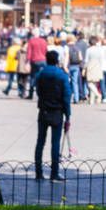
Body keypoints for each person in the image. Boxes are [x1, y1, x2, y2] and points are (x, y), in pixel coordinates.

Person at [34, 51, 71, 181]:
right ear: (57, 60)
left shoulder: (40, 74)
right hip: (57, 112)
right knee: (55, 143)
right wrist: (68, 115)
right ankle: (54, 172)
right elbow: (66, 97)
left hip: (43, 111)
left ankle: (38, 173)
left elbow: (37, 90)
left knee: (40, 142)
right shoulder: (62, 75)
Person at [26, 28, 48, 99]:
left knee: (33, 77)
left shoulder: (31, 41)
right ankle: (41, 93)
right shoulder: (44, 41)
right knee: (42, 77)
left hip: (35, 60)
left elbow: (29, 52)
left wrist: (27, 62)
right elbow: (46, 51)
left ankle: (31, 94)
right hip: (43, 60)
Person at [84, 36, 104, 105]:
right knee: (94, 83)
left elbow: (86, 60)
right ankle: (91, 101)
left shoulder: (89, 50)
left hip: (90, 66)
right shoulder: (100, 49)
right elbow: (101, 59)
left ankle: (98, 95)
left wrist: (84, 68)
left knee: (89, 83)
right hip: (98, 66)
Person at [68, 36, 84, 104]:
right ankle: (76, 99)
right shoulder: (77, 48)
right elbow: (80, 58)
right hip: (76, 66)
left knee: (68, 82)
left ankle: (68, 98)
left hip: (69, 66)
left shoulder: (67, 47)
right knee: (75, 83)